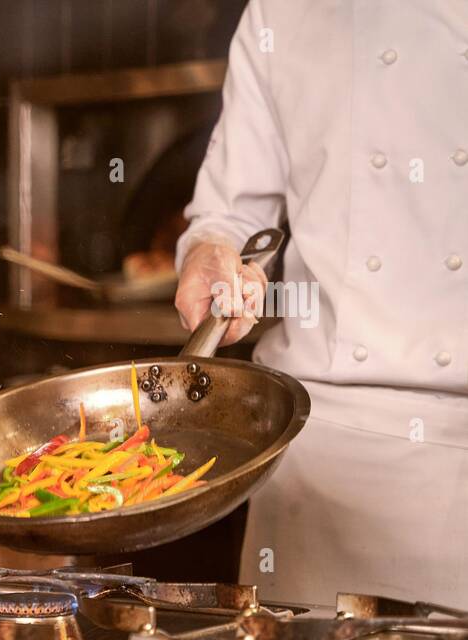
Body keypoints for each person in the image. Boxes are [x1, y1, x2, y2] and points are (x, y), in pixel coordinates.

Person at [174, 0, 468, 606]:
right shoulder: (279, 13)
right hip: (314, 450)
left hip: (456, 461)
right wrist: (212, 251)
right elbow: (232, 212)